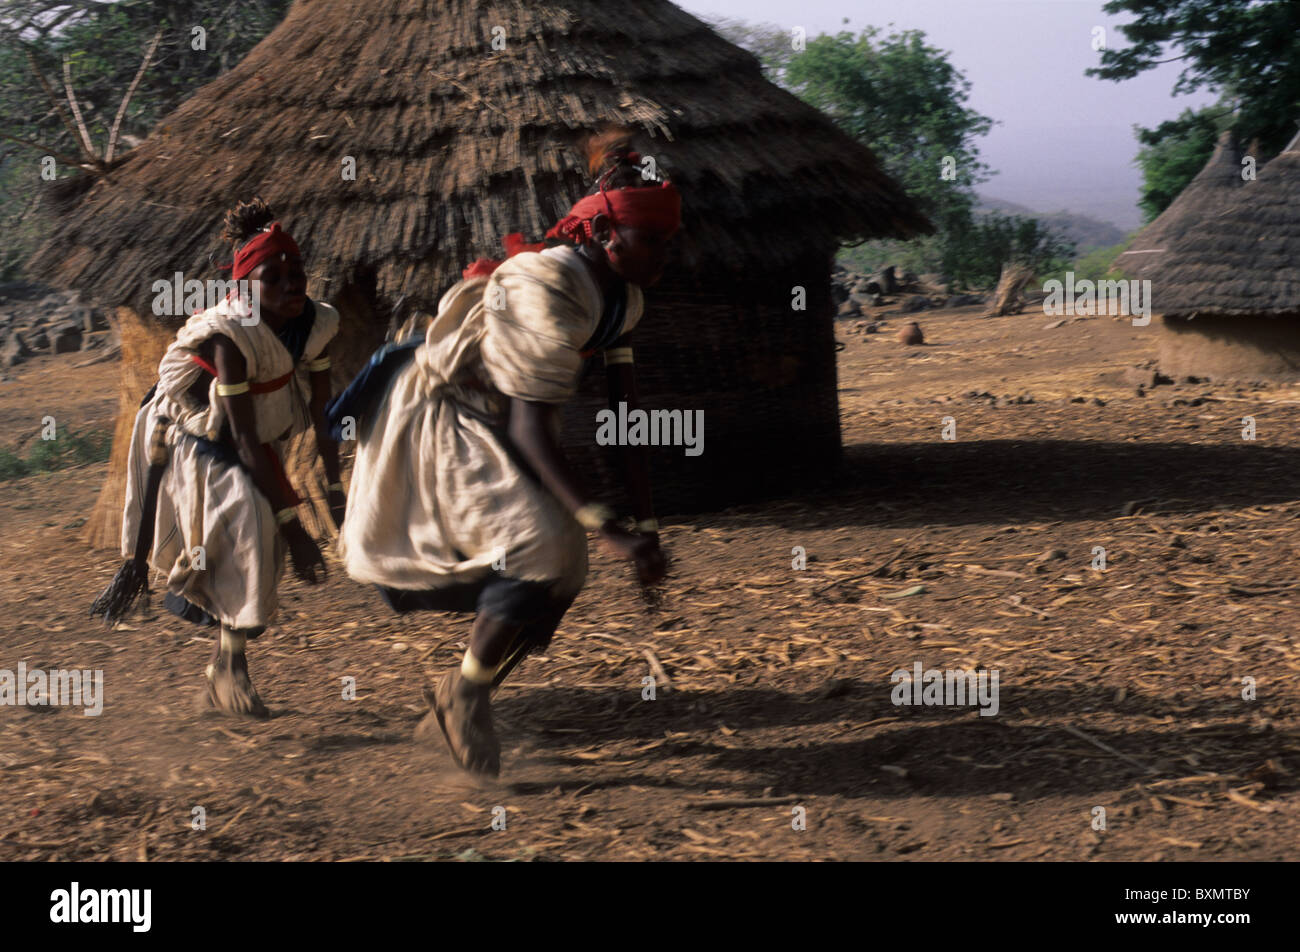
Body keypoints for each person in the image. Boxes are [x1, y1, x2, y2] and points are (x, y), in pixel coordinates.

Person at [337, 132, 680, 775]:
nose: (666, 255)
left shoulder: (623, 299)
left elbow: (625, 415)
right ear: (607, 234)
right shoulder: (546, 284)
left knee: (566, 567)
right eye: (653, 240)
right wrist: (600, 522)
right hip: (443, 412)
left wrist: (647, 526)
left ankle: (462, 696)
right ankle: (464, 697)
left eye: (668, 241)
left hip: (495, 417)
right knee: (542, 546)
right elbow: (530, 430)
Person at [91, 198, 344, 717]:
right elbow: (244, 441)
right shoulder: (229, 336)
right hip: (196, 436)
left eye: (296, 273)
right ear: (246, 288)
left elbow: (321, 411)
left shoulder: (316, 323)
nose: (291, 285)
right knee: (254, 528)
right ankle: (230, 670)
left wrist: (335, 487)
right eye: (273, 277)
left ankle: (226, 667)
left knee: (259, 545)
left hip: (247, 442)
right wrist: (295, 528)